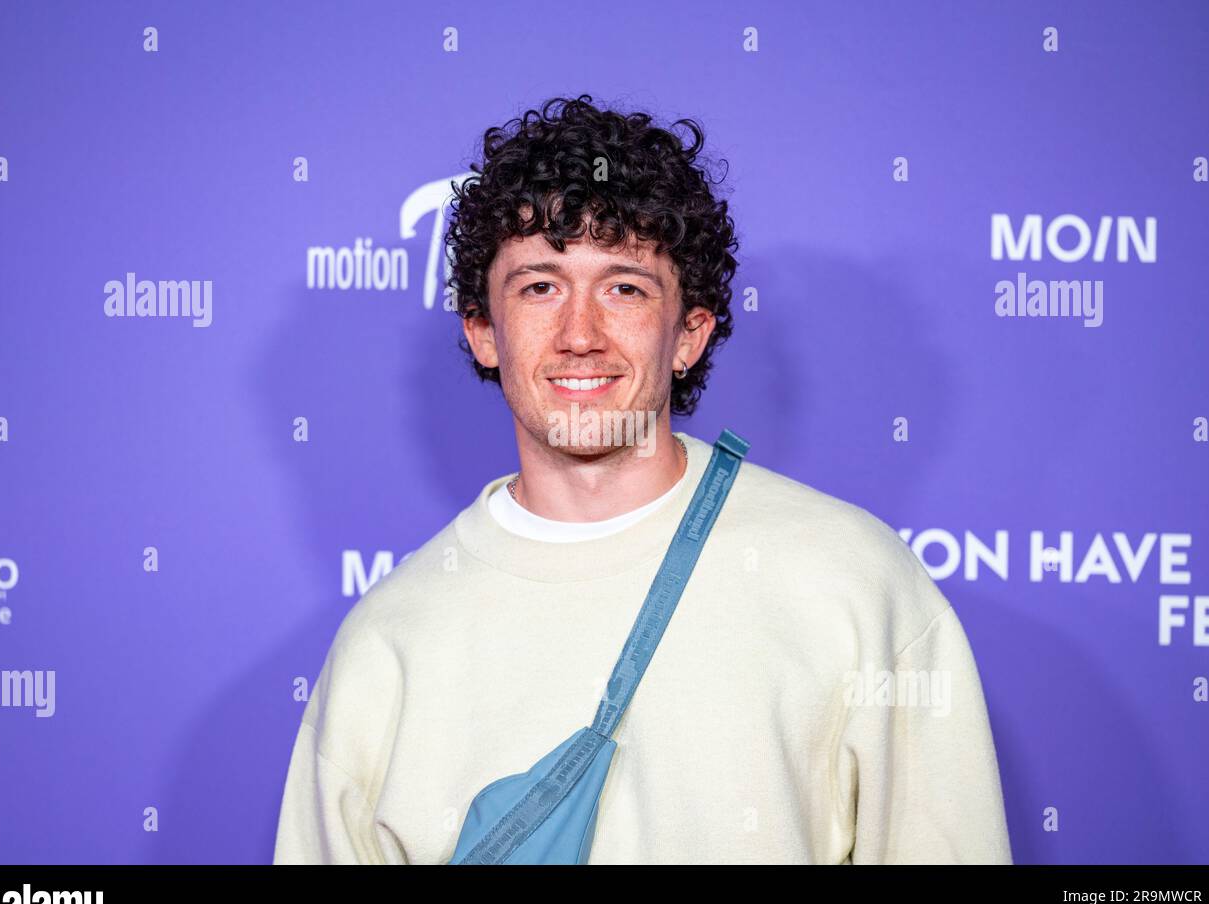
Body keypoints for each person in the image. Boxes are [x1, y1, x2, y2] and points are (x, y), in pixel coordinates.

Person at [273, 94, 1012, 864]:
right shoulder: (386, 646)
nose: (580, 335)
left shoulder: (858, 584)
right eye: (539, 287)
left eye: (624, 287)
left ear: (689, 333)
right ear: (483, 332)